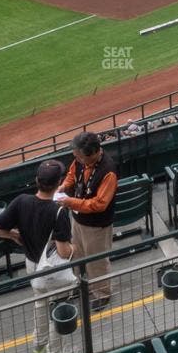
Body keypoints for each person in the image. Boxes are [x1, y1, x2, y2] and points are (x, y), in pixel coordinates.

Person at [0, 160, 74, 353]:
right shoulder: (59, 210)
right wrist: (76, 248)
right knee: (59, 308)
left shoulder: (21, 201)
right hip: (53, 270)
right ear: (59, 182)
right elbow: (64, 252)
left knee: (40, 302)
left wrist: (13, 235)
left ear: (37, 181)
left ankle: (38, 344)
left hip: (32, 265)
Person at [55, 132, 116, 309]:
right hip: (78, 219)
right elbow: (72, 174)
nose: (77, 159)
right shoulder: (80, 160)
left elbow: (99, 204)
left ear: (93, 153)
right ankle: (81, 284)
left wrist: (70, 201)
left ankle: (102, 293)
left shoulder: (108, 171)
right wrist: (65, 186)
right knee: (77, 254)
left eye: (79, 157)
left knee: (96, 261)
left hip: (97, 226)